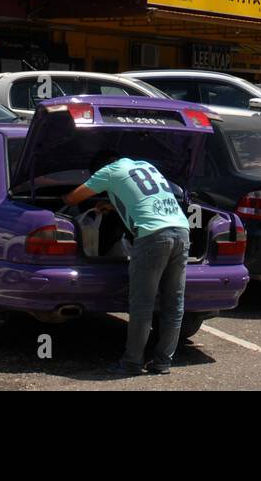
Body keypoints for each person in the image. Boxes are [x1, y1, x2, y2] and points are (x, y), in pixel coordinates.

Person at [63, 147, 190, 376]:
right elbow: (146, 196)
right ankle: (162, 363)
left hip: (152, 236)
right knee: (174, 304)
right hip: (181, 230)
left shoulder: (109, 171)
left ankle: (131, 363)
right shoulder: (145, 165)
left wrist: (62, 199)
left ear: (100, 168)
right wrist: (112, 205)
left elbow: (74, 197)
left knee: (142, 304)